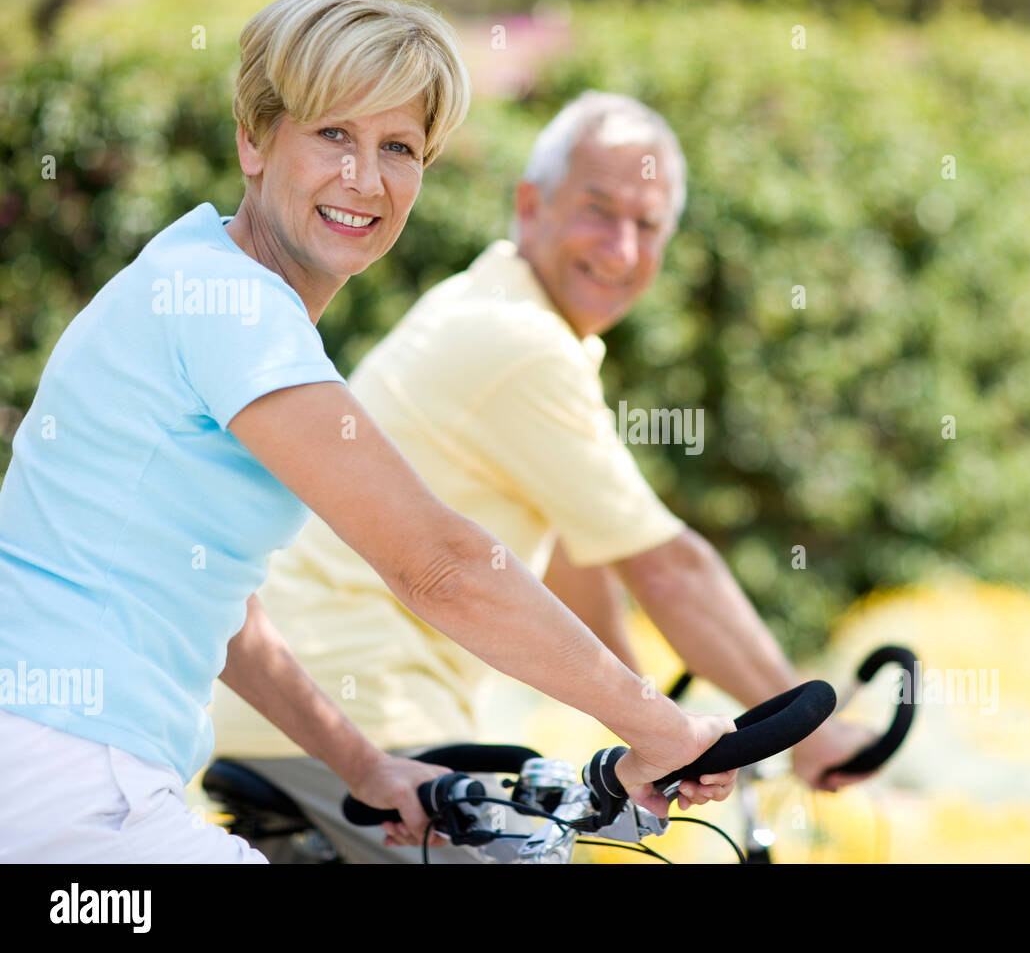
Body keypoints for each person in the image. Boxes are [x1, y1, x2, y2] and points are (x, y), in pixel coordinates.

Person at [0, 0, 736, 864]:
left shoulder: (205, 278)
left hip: (69, 768)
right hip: (72, 777)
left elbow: (225, 613)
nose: (364, 178)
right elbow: (440, 566)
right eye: (332, 135)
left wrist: (364, 766)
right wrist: (659, 726)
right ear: (254, 140)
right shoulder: (232, 307)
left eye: (398, 148)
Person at [210, 91, 879, 864]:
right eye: (599, 210)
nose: (622, 249)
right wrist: (813, 737)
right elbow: (668, 568)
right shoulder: (520, 343)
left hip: (300, 711)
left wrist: (656, 719)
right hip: (363, 722)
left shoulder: (490, 307)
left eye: (647, 224)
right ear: (532, 207)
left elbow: (575, 563)